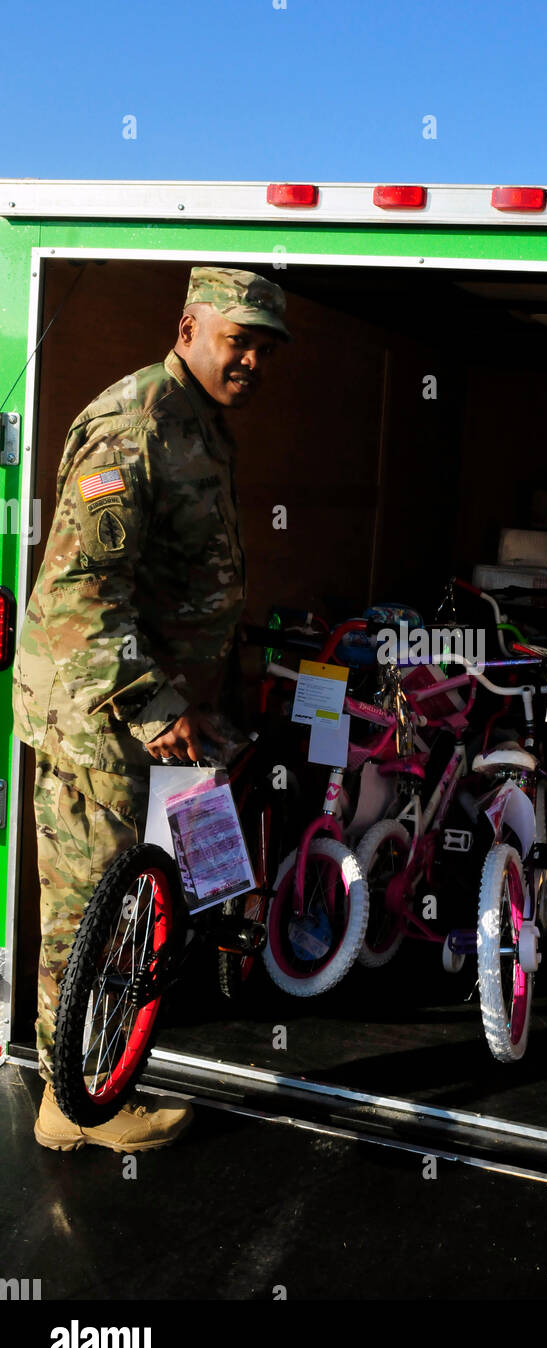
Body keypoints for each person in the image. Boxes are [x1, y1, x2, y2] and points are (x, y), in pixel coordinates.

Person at [11, 266, 290, 1151]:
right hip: (94, 714)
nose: (248, 359)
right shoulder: (132, 427)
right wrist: (154, 701)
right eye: (235, 338)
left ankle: (92, 1076)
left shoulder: (201, 427)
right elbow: (86, 594)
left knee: (122, 898)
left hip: (146, 712)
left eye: (262, 347)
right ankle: (73, 1102)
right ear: (186, 329)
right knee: (83, 908)